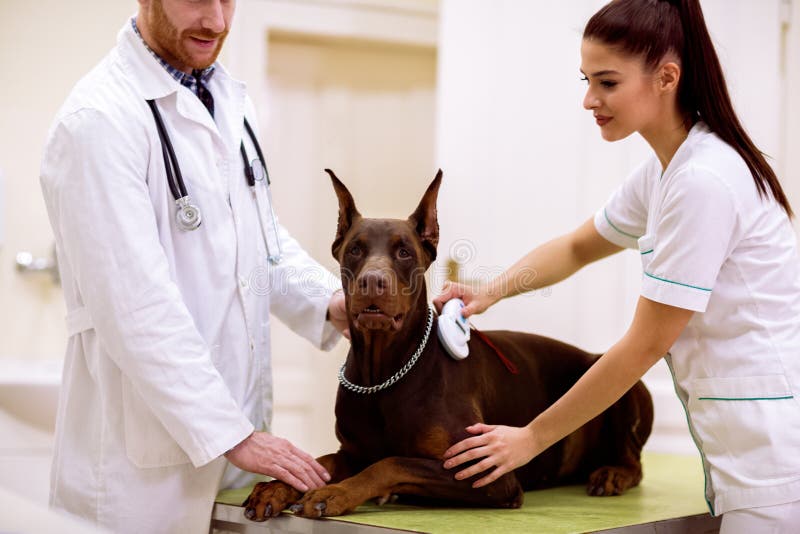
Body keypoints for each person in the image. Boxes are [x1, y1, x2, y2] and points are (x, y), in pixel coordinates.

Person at [434, 0, 800, 531]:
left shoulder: (704, 182)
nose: (589, 100)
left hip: (773, 459)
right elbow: (579, 247)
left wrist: (530, 439)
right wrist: (489, 292)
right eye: (586, 80)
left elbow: (644, 345)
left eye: (606, 82)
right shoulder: (666, 172)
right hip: (748, 453)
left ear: (667, 77)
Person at [39, 1, 349, 531]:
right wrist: (231, 432)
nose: (218, 21)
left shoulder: (230, 102)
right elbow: (136, 306)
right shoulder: (98, 121)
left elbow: (259, 244)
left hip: (229, 461)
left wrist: (333, 303)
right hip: (138, 478)